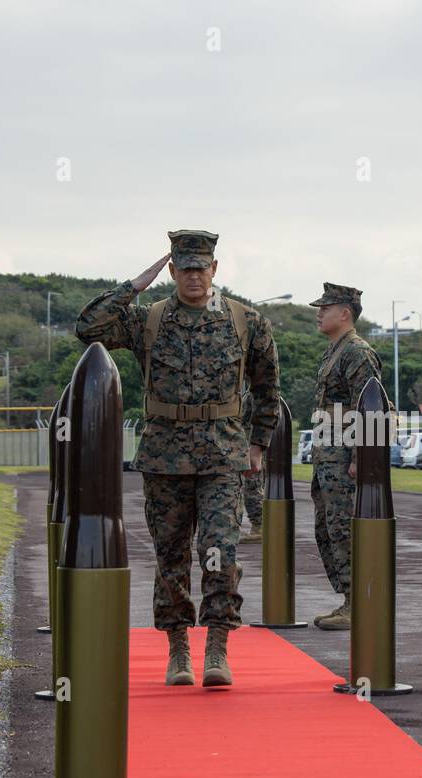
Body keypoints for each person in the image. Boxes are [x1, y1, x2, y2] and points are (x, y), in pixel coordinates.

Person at [76, 231, 279, 687]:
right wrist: (136, 284)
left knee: (218, 550)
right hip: (164, 457)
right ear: (172, 271)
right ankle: (178, 649)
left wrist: (258, 444)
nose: (194, 275)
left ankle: (218, 647)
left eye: (201, 267)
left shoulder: (246, 322)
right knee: (170, 558)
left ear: (215, 269)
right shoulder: (147, 320)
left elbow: (268, 389)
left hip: (223, 457)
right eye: (184, 267)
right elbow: (87, 326)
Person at [306, 282, 383, 631]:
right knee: (328, 527)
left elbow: (369, 410)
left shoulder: (357, 352)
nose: (319, 313)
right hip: (328, 452)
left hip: (344, 457)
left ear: (345, 313)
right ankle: (348, 599)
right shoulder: (334, 350)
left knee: (344, 528)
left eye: (326, 307)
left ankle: (358, 603)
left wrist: (360, 459)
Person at [238, 388, 264, 544]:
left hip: (251, 446)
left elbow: (257, 421)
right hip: (246, 444)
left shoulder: (255, 394)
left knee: (253, 487)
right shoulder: (248, 392)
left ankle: (259, 526)